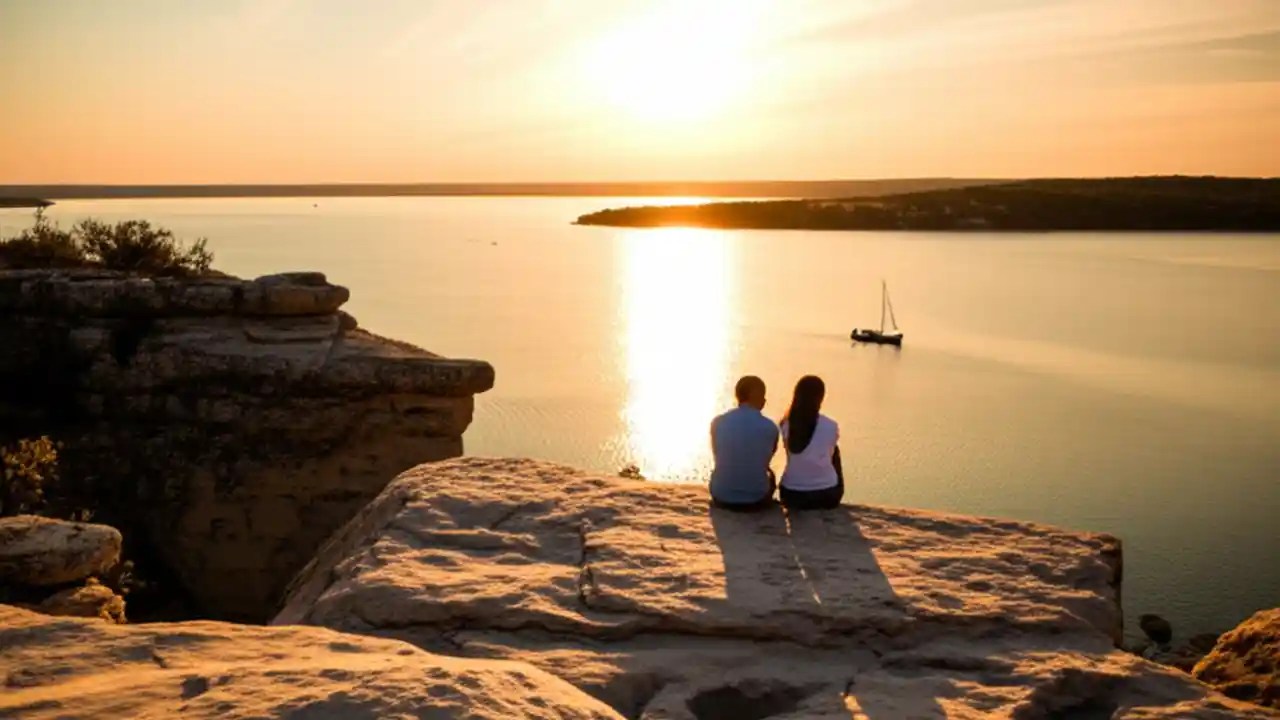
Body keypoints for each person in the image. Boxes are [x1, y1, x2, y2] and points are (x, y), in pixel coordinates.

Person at [708, 375, 780, 510]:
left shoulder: (718, 422)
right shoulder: (770, 427)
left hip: (721, 495)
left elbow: (717, 454)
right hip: (756, 499)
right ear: (757, 396)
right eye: (763, 395)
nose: (765, 400)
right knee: (770, 474)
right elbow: (768, 459)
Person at [778, 375, 844, 510]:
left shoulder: (786, 424)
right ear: (821, 397)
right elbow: (829, 453)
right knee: (834, 450)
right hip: (827, 496)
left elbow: (790, 455)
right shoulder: (831, 425)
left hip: (791, 495)